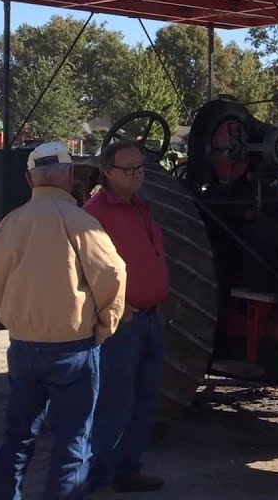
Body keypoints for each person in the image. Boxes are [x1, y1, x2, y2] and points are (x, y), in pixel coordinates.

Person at [0, 142, 127, 500]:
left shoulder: (10, 223)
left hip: (23, 348)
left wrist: (14, 318)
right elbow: (113, 274)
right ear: (68, 177)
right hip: (73, 350)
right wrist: (103, 328)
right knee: (71, 445)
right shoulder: (81, 222)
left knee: (17, 439)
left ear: (31, 179)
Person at [85, 140, 170, 495]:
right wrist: (114, 308)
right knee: (114, 403)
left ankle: (128, 469)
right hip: (122, 324)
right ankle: (99, 477)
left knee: (146, 399)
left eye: (140, 168)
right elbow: (83, 270)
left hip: (151, 320)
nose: (137, 175)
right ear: (107, 171)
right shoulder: (94, 214)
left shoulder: (141, 207)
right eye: (129, 169)